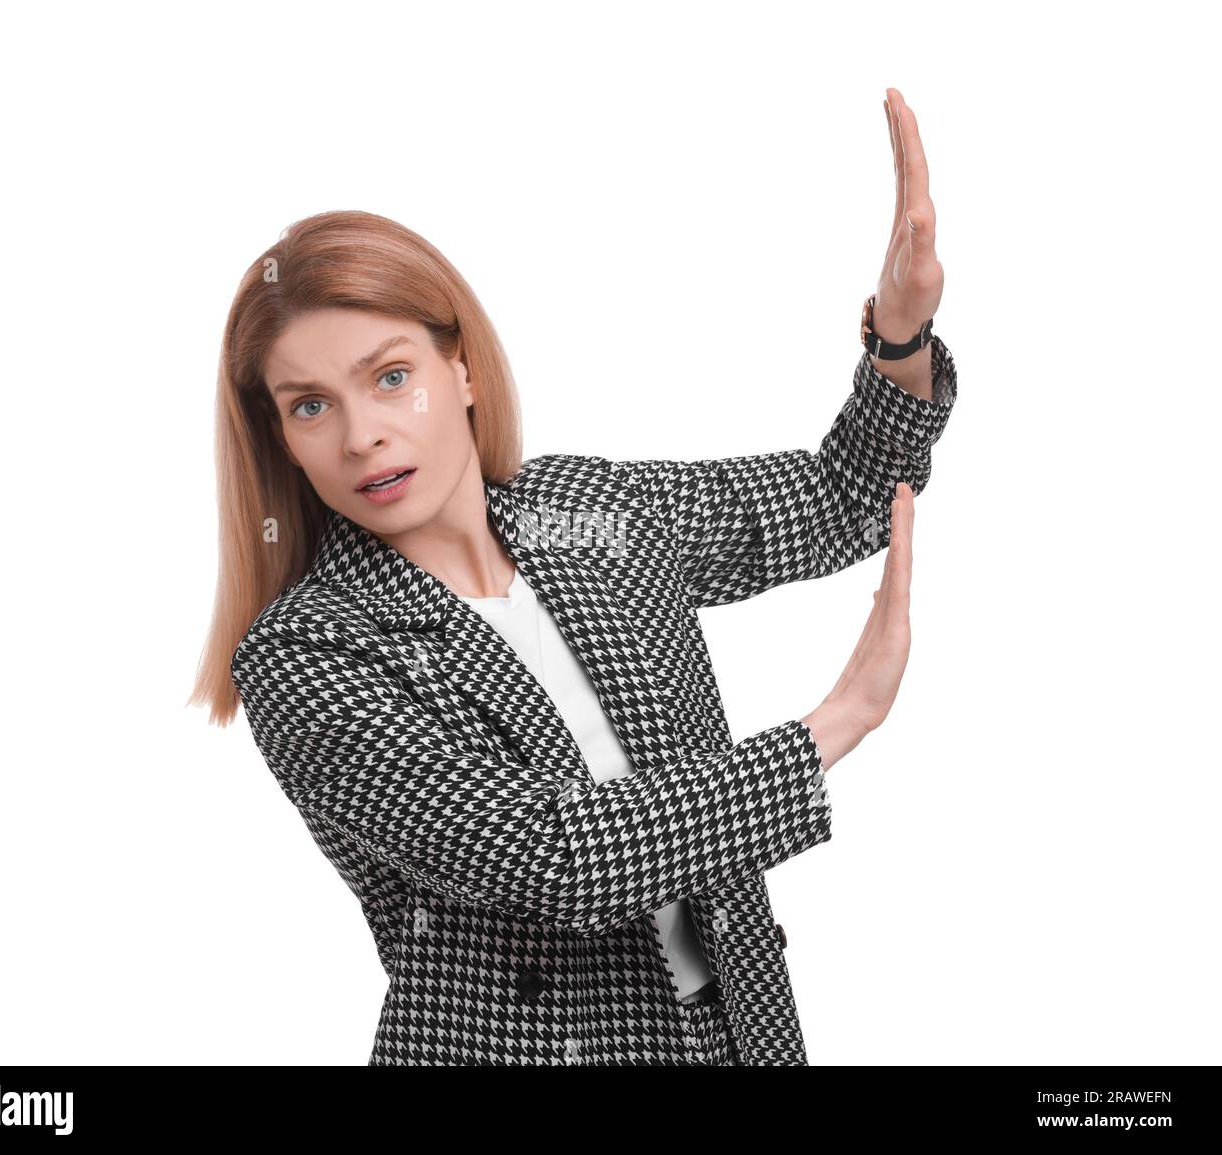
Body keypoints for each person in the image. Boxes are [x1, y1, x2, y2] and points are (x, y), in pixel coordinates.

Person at [190, 89, 956, 1065]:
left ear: (460, 370)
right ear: (283, 442)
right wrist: (834, 723)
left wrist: (899, 339)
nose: (362, 433)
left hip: (738, 1033)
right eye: (309, 407)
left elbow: (840, 497)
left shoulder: (580, 515)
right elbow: (559, 860)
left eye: (390, 376)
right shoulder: (306, 654)